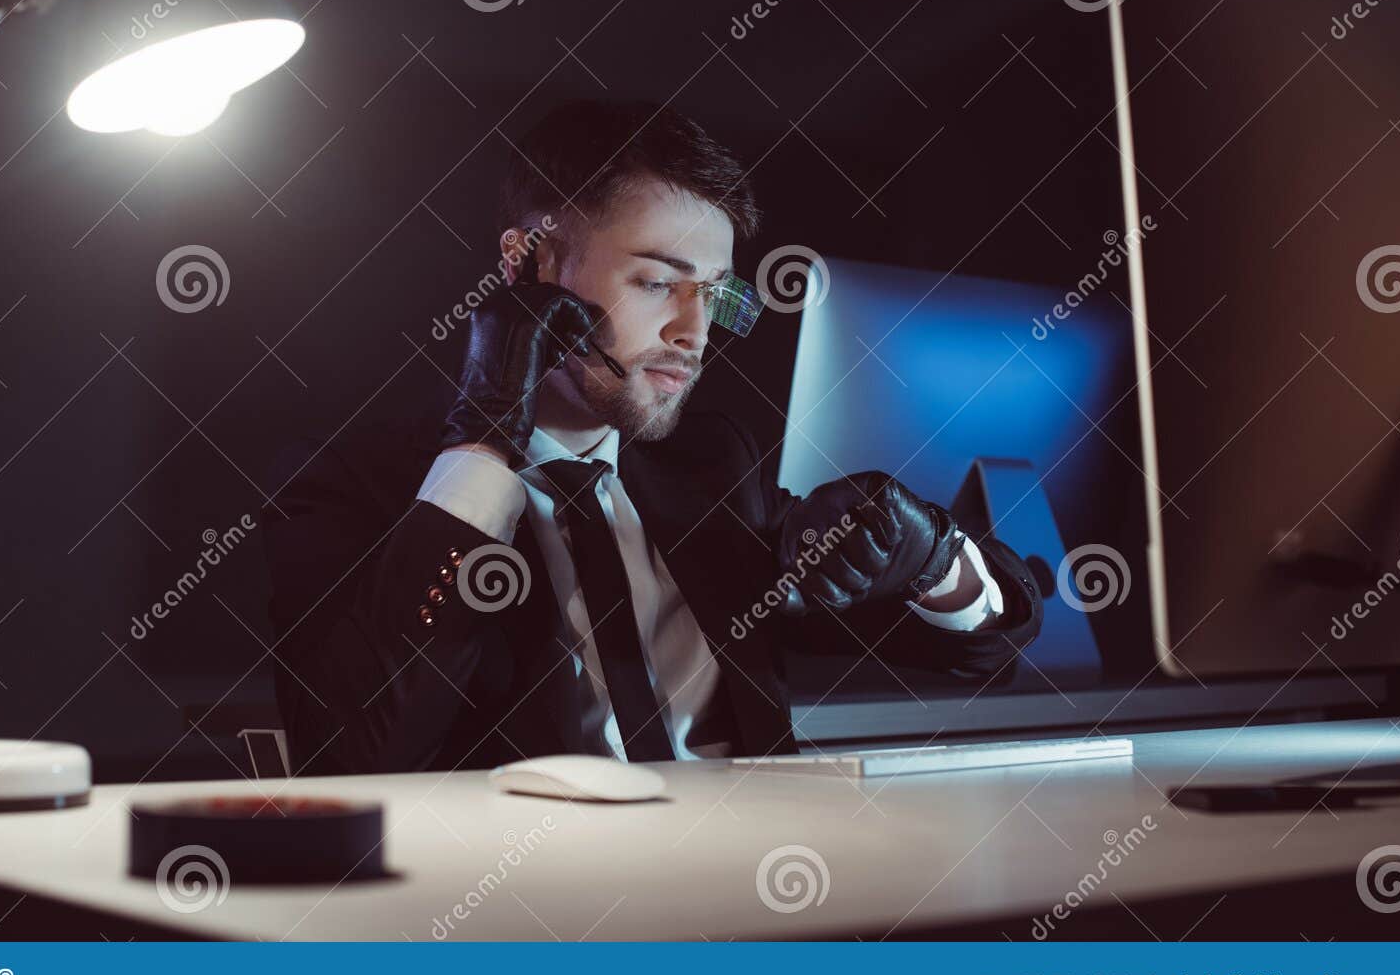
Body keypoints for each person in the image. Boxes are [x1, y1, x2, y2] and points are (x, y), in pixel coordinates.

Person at [262, 99, 1042, 774]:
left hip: (759, 877)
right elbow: (349, 754)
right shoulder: (354, 484)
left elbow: (988, 649)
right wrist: (485, 439)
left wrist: (933, 557)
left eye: (713, 294)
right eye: (657, 282)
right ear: (529, 263)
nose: (693, 332)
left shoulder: (712, 471)